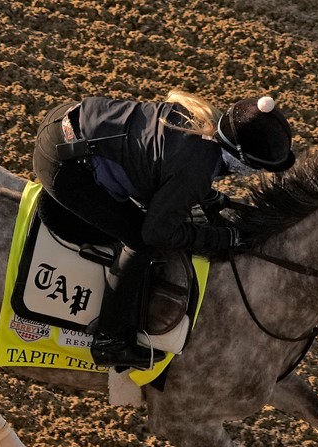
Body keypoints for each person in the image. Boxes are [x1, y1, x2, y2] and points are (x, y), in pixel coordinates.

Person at [31, 91, 295, 369]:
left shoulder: (204, 119)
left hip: (65, 118)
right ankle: (110, 341)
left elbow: (169, 162)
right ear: (243, 159)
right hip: (63, 164)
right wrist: (225, 237)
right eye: (258, 168)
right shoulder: (194, 170)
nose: (255, 174)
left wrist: (206, 196)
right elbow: (156, 232)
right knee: (139, 243)